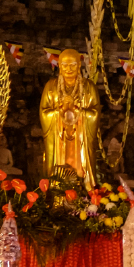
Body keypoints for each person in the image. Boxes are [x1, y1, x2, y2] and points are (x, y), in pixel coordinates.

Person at [39, 48, 100, 186]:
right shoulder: (51, 86)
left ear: (79, 65)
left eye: (73, 65)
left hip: (80, 139)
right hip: (58, 138)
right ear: (59, 65)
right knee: (57, 171)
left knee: (81, 169)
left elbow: (95, 113)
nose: (68, 69)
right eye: (65, 65)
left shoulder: (88, 87)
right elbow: (43, 112)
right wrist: (58, 113)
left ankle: (84, 188)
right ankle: (55, 187)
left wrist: (81, 113)